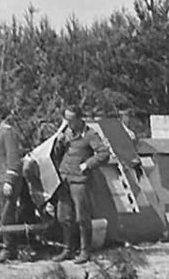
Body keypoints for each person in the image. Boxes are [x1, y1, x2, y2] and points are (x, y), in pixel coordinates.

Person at [53, 107, 110, 264]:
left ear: (79, 118)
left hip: (80, 181)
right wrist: (59, 143)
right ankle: (67, 249)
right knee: (64, 216)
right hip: (65, 179)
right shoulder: (67, 134)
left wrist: (87, 165)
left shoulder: (89, 134)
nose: (68, 123)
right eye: (66, 119)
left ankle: (85, 251)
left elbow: (104, 153)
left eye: (71, 119)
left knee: (82, 217)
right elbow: (57, 155)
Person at [0, 111, 24, 263]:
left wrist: (9, 180)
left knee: (7, 214)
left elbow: (12, 156)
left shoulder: (7, 132)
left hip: (6, 180)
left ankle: (9, 249)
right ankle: (8, 246)